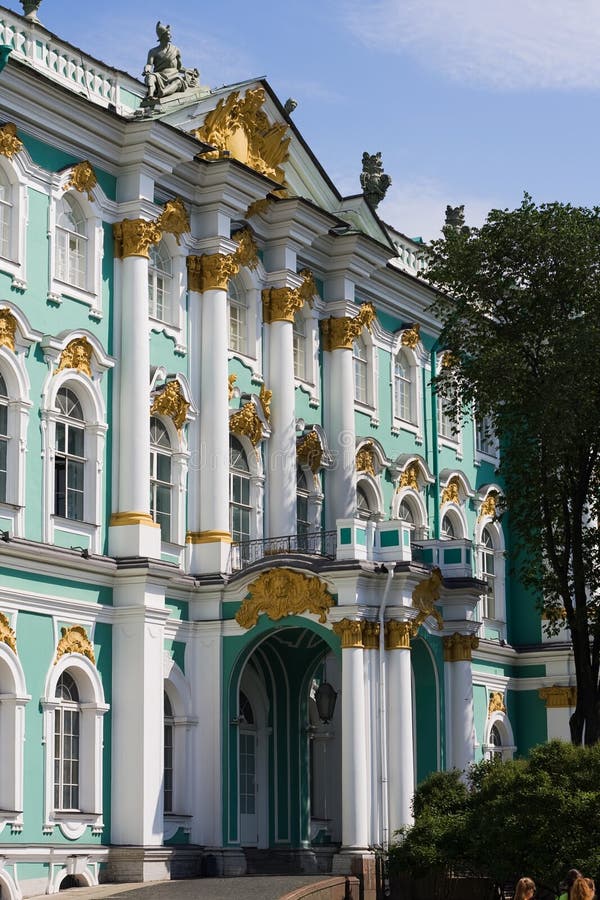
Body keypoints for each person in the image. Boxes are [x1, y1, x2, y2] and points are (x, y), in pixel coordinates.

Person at [143, 22, 199, 101]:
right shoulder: (153, 51)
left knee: (178, 82)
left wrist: (190, 71)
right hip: (159, 75)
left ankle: (162, 93)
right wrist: (147, 69)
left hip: (173, 76)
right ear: (162, 36)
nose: (170, 36)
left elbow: (179, 68)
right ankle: (150, 95)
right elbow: (149, 64)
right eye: (168, 34)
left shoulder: (175, 50)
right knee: (150, 77)